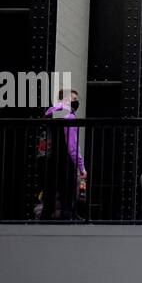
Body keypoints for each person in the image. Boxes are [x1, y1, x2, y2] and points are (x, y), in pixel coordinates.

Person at [40, 88, 86, 220]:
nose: (76, 102)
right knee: (67, 202)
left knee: (48, 202)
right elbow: (72, 147)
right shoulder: (70, 117)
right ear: (65, 100)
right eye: (74, 99)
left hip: (49, 162)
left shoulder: (49, 115)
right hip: (65, 164)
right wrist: (81, 167)